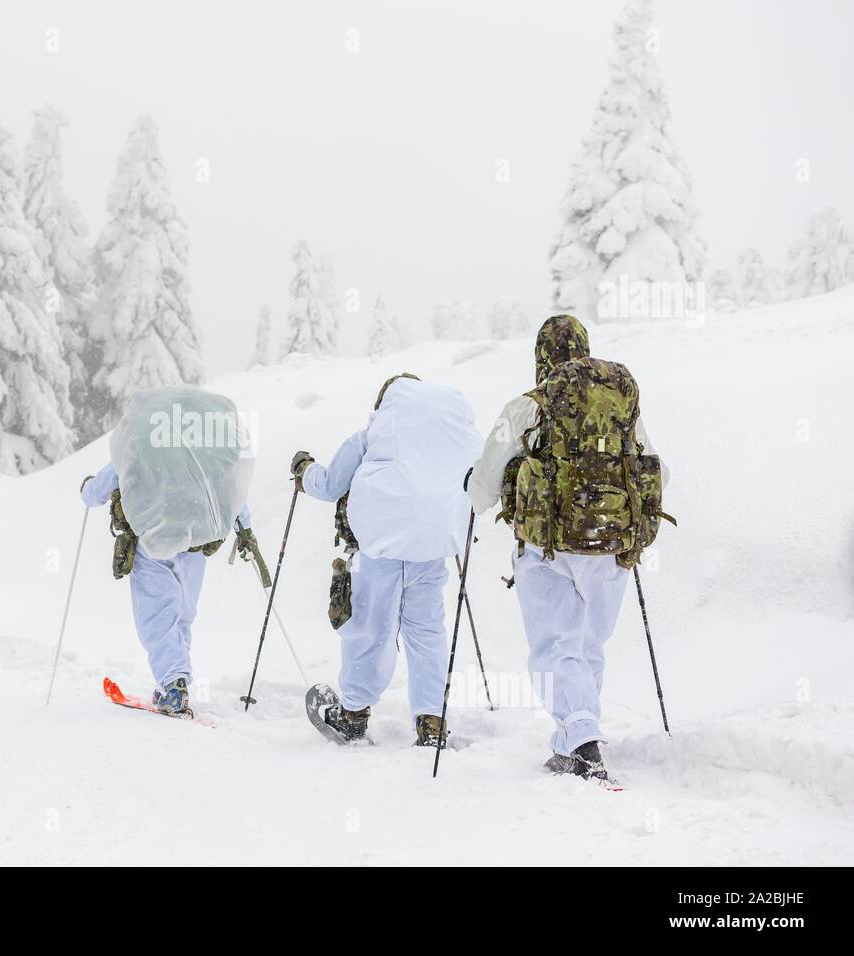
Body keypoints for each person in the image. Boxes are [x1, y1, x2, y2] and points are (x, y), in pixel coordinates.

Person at [466, 314, 671, 783]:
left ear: (541, 358)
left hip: (548, 546)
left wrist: (473, 493)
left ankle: (580, 743)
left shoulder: (526, 406)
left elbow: (483, 486)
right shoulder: (620, 402)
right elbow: (654, 465)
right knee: (587, 643)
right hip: (612, 543)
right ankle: (572, 738)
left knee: (556, 644)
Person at [293, 374, 482, 746]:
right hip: (430, 550)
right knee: (427, 631)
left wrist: (303, 471)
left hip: (379, 548)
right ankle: (431, 721)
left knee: (370, 628)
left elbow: (330, 485)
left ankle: (353, 714)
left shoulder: (370, 437)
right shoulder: (446, 444)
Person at [80, 466, 262, 717]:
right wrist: (245, 526)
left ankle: (173, 685)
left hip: (153, 540)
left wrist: (89, 491)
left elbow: (115, 469)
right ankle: (174, 682)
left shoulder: (144, 436)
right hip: (195, 540)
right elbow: (228, 482)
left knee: (157, 616)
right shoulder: (202, 442)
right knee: (182, 614)